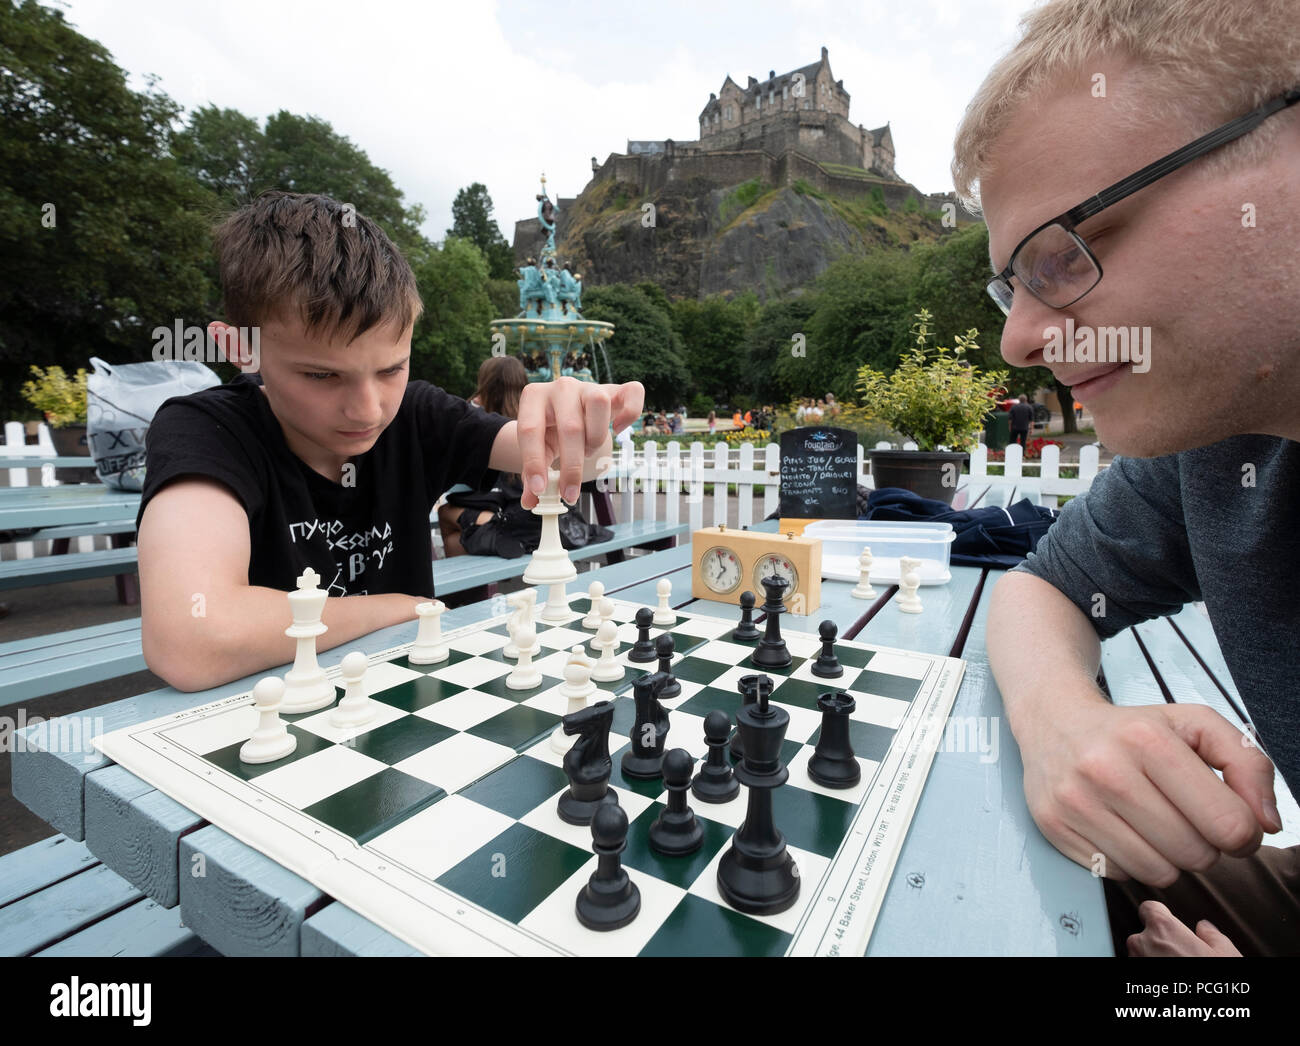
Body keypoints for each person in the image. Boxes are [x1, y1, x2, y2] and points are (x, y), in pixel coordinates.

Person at [956, 0, 1299, 956]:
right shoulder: (1225, 442)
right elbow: (1045, 585)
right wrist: (1063, 720)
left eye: (1061, 256)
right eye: (1012, 283)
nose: (1018, 339)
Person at [135, 191, 643, 693]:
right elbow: (191, 637)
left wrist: (586, 422)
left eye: (390, 368)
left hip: (401, 706)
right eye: (320, 375)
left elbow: (564, 457)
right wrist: (400, 609)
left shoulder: (418, 416)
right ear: (240, 349)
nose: (368, 409)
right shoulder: (204, 429)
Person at [437, 355, 527, 557]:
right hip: (533, 519)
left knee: (445, 513)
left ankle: (466, 587)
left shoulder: (485, 429)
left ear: (488, 388)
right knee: (454, 540)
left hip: (508, 522)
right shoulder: (530, 422)